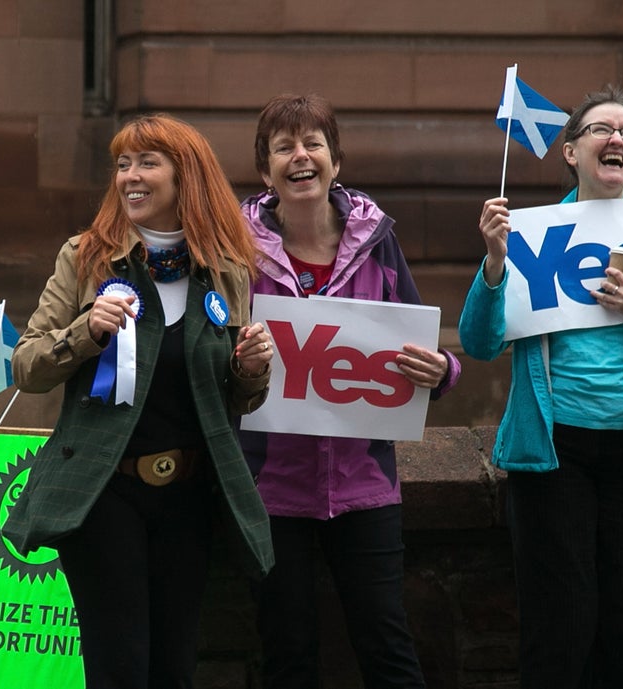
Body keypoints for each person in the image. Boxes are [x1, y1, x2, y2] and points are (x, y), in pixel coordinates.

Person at [2, 113, 276, 689]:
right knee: (120, 666)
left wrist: (251, 369)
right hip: (105, 495)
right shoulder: (85, 258)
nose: (130, 176)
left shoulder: (225, 270)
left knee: (174, 668)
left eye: (147, 163)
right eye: (122, 164)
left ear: (187, 178)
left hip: (191, 499)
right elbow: (24, 366)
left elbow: (239, 399)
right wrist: (86, 331)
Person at [458, 85, 623, 689]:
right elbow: (480, 342)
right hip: (554, 457)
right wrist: (495, 264)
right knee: (558, 627)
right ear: (570, 152)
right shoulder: (527, 235)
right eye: (601, 129)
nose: (617, 139)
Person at [238, 93, 462, 689]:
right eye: (284, 147)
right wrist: (240, 361)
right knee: (286, 653)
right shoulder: (233, 252)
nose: (300, 156)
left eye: (313, 143)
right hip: (270, 488)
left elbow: (424, 344)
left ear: (336, 161)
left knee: (387, 646)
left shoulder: (378, 242)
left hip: (364, 487)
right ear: (266, 172)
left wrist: (442, 370)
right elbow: (212, 360)